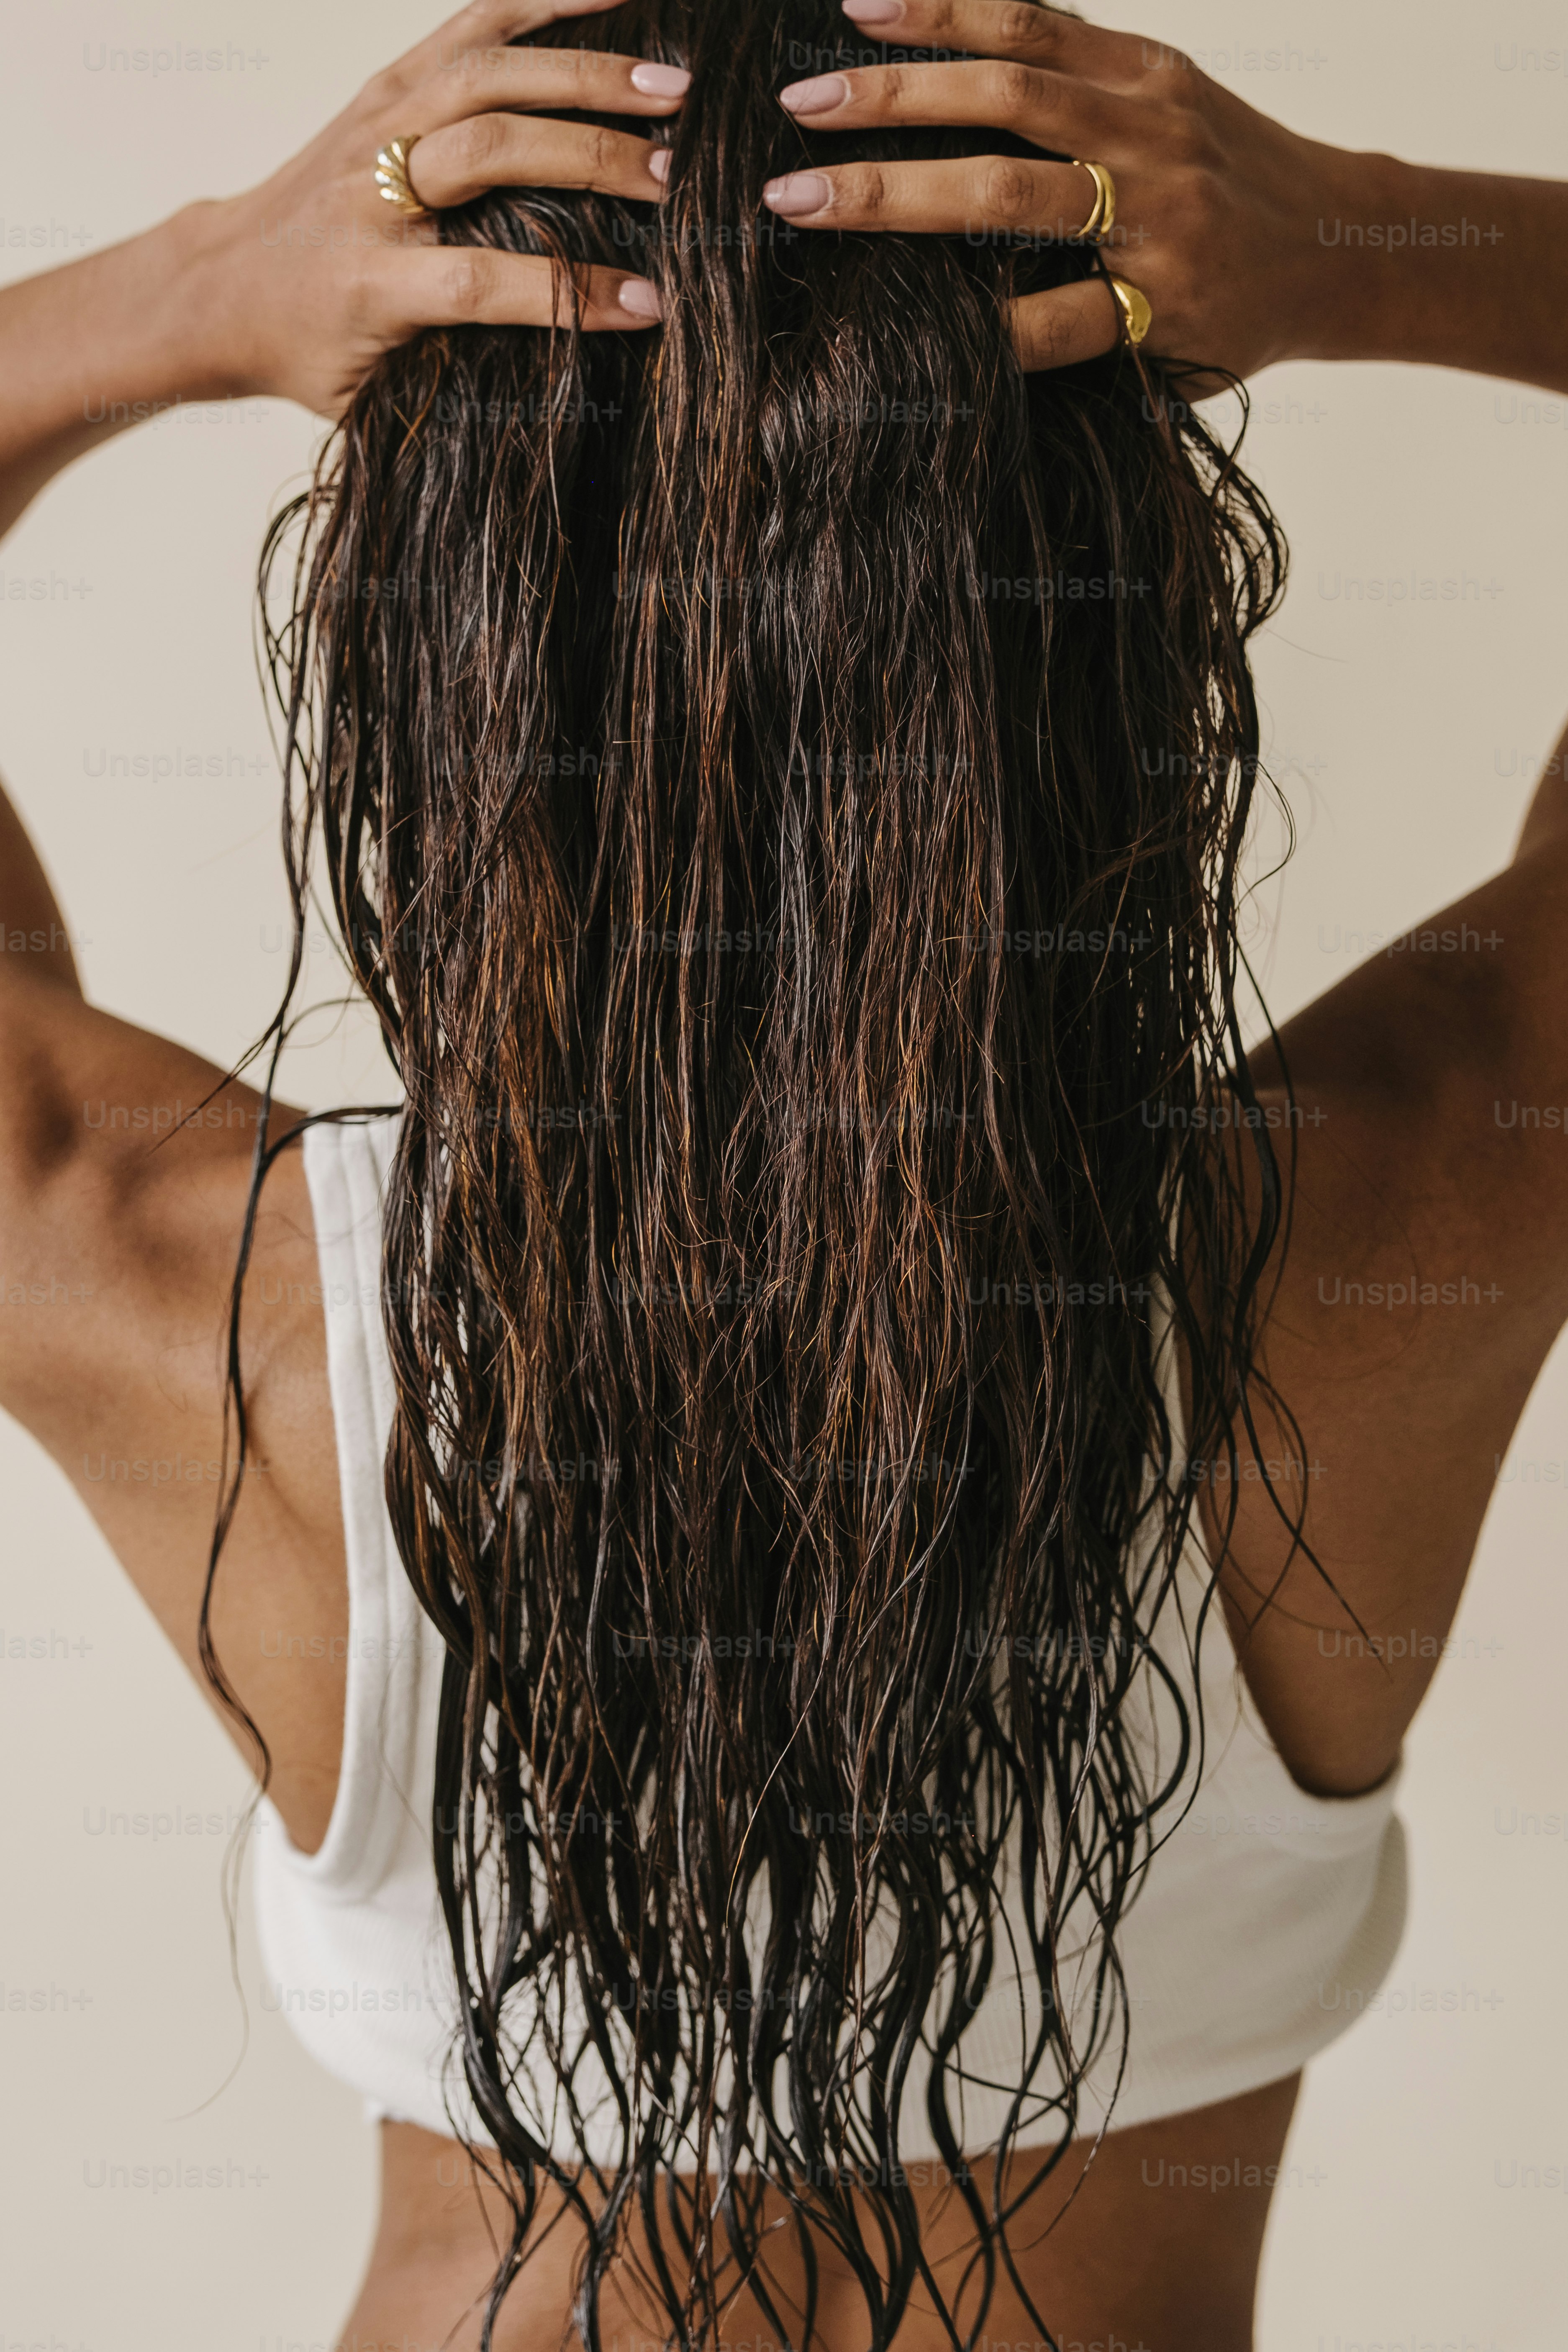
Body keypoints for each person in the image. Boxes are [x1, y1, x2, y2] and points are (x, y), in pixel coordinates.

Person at [0, 3, 1564, 2347]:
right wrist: (1362, 239)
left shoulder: (179, 1292)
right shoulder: (1408, 1206)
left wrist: (197, 287)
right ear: (1114, 625)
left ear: (436, 655)